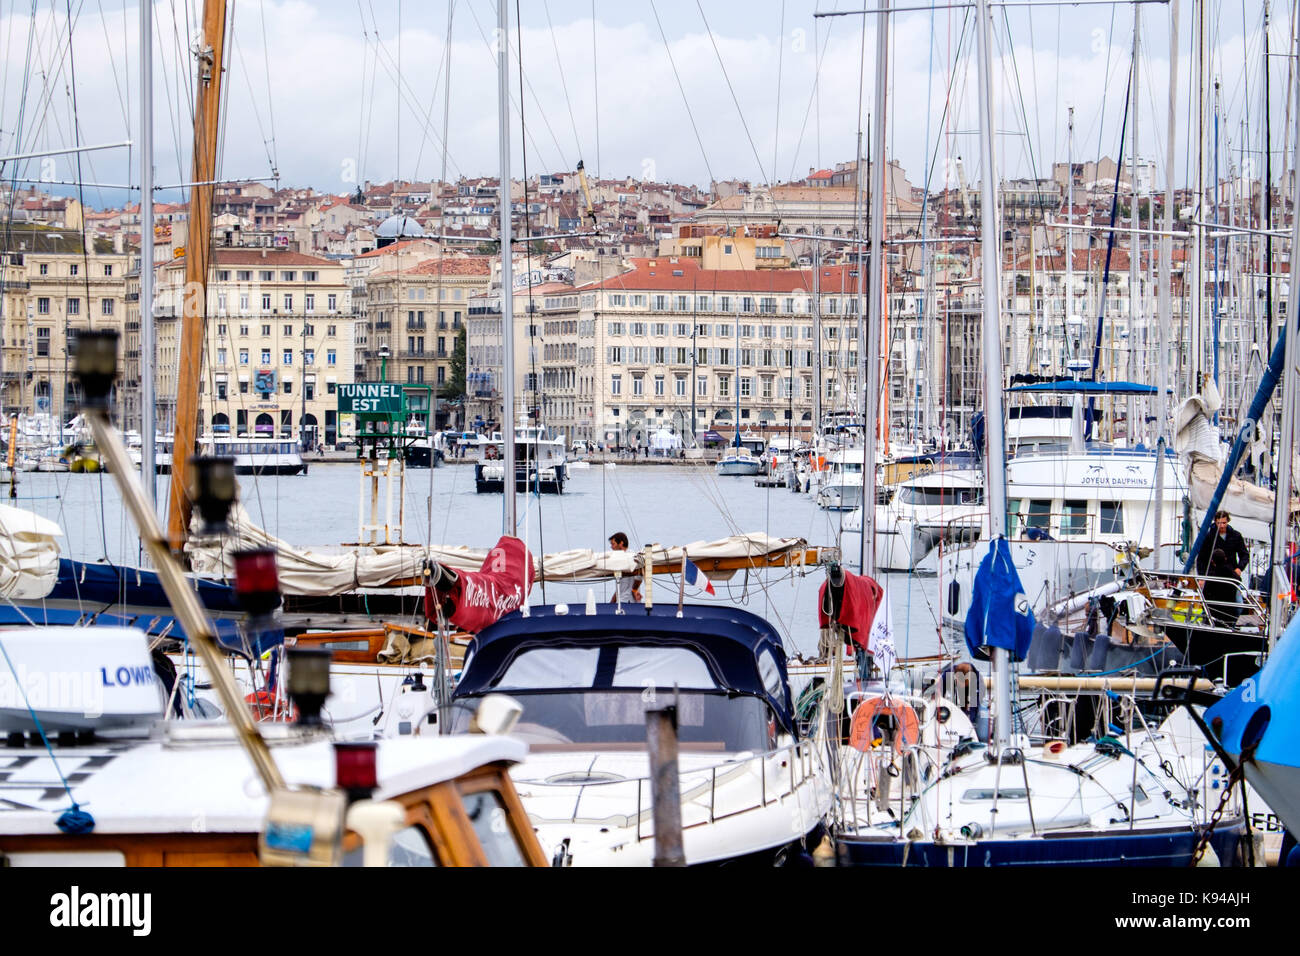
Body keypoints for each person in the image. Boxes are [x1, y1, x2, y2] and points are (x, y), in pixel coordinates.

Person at [1195, 510, 1250, 578]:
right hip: (1213, 575)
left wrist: (1239, 568)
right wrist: (1202, 577)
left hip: (1231, 574)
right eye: (1219, 523)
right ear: (1215, 522)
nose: (1222, 526)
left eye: (1224, 523)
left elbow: (1244, 554)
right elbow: (1201, 558)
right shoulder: (1208, 537)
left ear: (1228, 521)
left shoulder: (1236, 536)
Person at [1202, 548, 1241, 626]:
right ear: (1225, 558)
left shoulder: (1211, 576)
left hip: (1215, 613)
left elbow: (1205, 594)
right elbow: (1239, 580)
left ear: (1212, 561)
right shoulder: (1232, 573)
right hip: (1230, 613)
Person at [608, 532, 642, 604]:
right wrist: (611, 603)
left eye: (613, 544)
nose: (611, 547)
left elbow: (639, 575)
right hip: (621, 600)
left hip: (628, 602)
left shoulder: (632, 557)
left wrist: (634, 590)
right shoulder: (620, 559)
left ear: (621, 543)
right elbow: (620, 588)